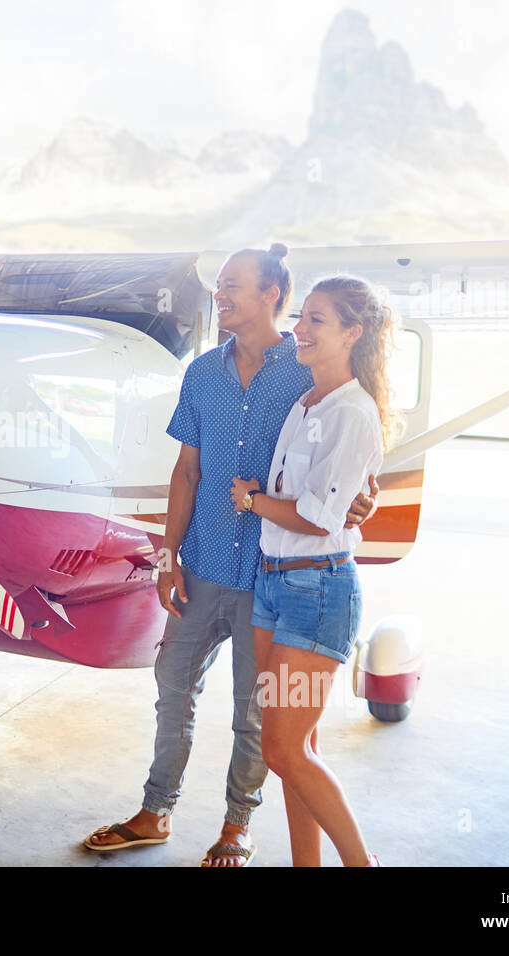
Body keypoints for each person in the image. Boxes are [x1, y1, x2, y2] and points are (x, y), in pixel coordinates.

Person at [84, 244, 378, 866]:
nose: (219, 295)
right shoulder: (202, 375)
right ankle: (155, 809)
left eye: (232, 284)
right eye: (218, 285)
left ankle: (237, 824)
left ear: (273, 292)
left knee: (258, 713)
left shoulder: (308, 369)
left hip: (272, 577)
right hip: (204, 561)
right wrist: (168, 555)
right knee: (173, 687)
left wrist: (361, 496)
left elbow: (345, 456)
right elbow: (185, 470)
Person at [232, 275, 398, 867]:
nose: (299, 328)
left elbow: (319, 517)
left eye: (317, 320)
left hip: (317, 588)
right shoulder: (308, 401)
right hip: (275, 583)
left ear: (353, 333)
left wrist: (249, 499)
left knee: (281, 749)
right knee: (296, 746)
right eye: (302, 316)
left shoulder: (352, 413)